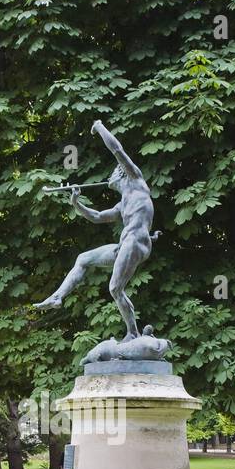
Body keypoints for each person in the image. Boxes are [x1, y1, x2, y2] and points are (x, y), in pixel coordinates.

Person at [34, 120, 157, 341]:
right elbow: (97, 217)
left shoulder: (137, 181)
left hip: (136, 242)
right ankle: (57, 297)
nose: (108, 179)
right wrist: (75, 203)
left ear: (120, 173)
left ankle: (133, 333)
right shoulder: (122, 204)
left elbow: (117, 149)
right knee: (83, 258)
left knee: (114, 289)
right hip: (126, 243)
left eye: (111, 174)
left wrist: (99, 127)